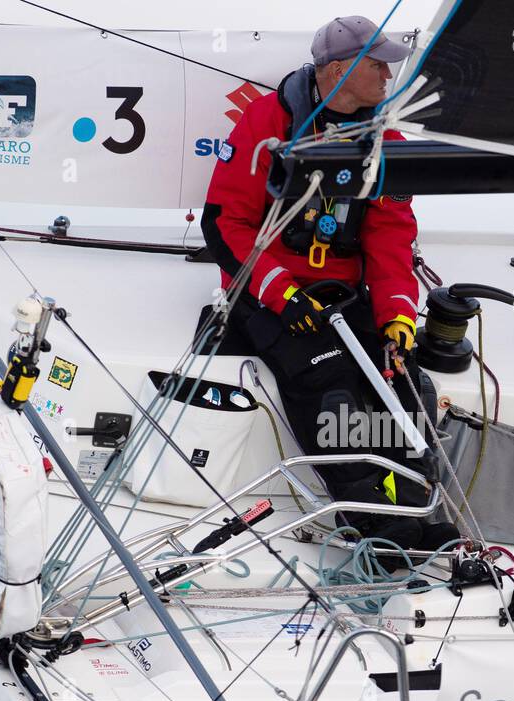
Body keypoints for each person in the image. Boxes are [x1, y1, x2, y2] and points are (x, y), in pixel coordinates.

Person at [201, 15, 457, 552]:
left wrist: (398, 319)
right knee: (331, 393)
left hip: (343, 293)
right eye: (377, 64)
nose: (389, 75)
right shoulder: (263, 124)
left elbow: (391, 239)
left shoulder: (385, 140)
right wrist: (281, 293)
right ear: (337, 71)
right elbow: (225, 225)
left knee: (407, 387)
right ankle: (378, 530)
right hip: (268, 290)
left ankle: (409, 507)